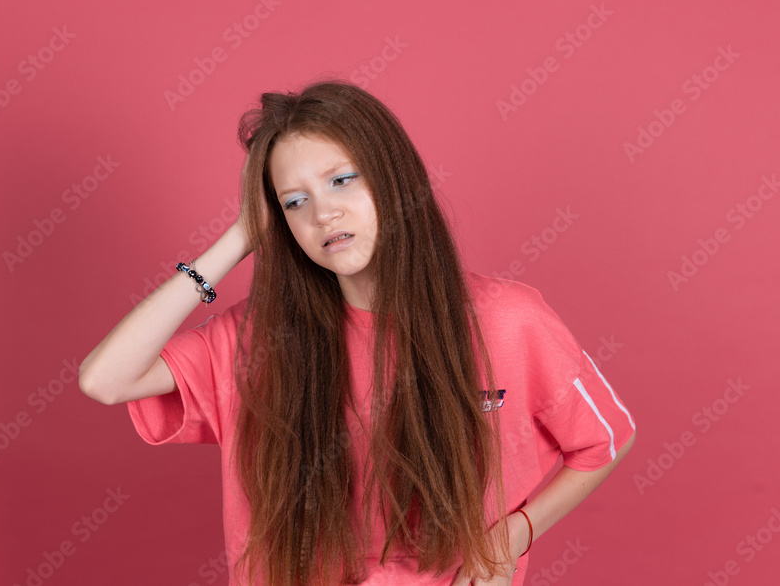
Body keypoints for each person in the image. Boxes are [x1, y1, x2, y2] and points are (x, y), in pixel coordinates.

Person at [78, 78, 636, 586]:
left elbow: (604, 441)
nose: (323, 214)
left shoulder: (508, 319)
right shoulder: (258, 339)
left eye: (341, 180)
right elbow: (106, 379)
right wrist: (240, 235)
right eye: (294, 202)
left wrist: (512, 534)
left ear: (393, 179)